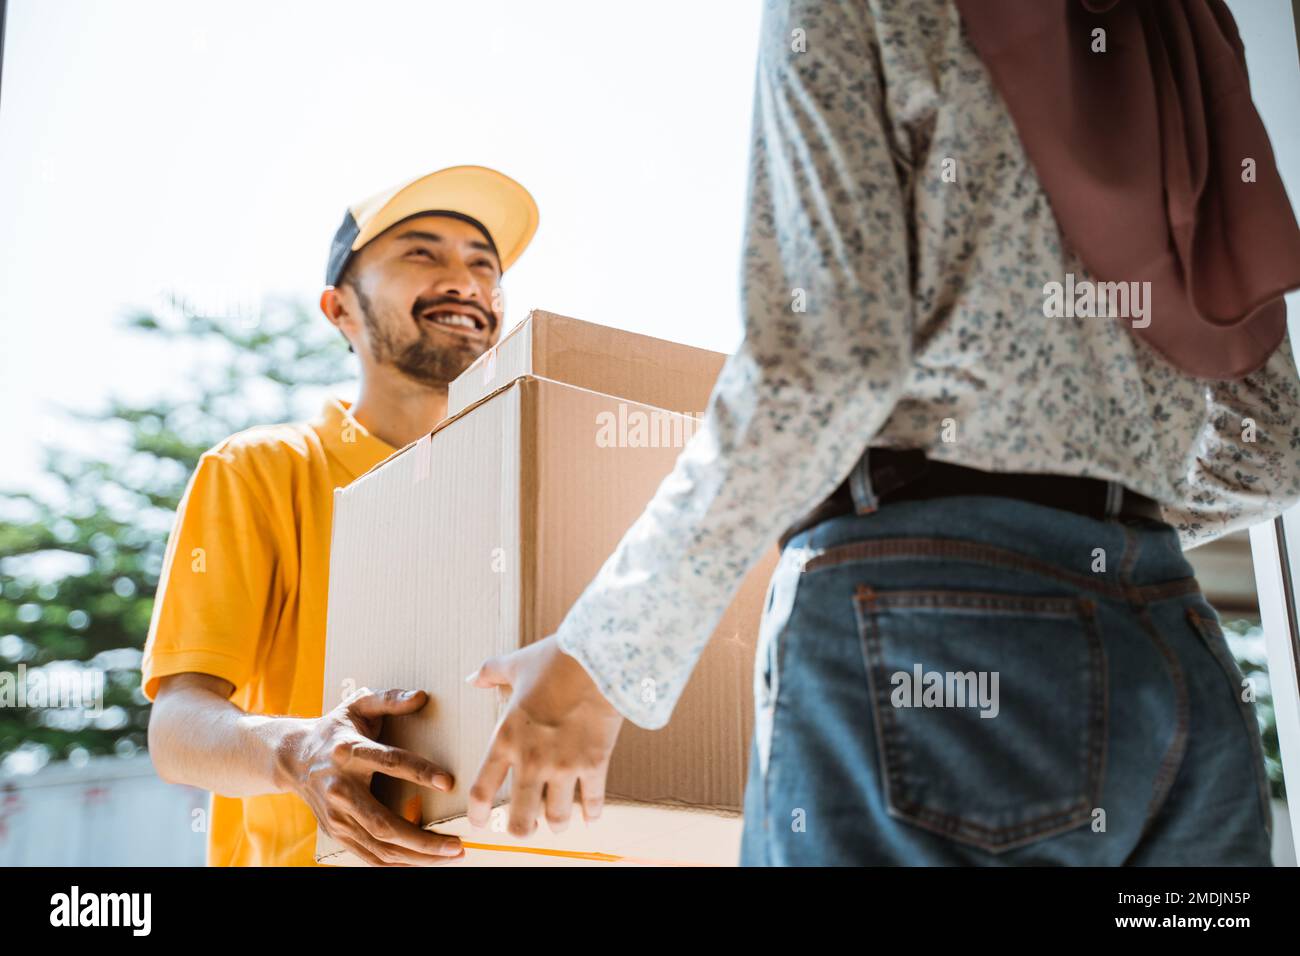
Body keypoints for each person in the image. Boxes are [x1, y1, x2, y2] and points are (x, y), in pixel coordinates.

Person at [466, 0, 1300, 865]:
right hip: (1180, 666)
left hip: (928, 645)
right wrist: (1081, 525)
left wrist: (599, 659)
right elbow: (1271, 447)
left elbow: (827, 365)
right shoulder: (1181, 24)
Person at [143, 165, 539, 866]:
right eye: (423, 253)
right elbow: (176, 729)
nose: (466, 281)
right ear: (340, 309)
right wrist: (298, 752)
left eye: (485, 266)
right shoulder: (260, 470)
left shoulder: (528, 485)